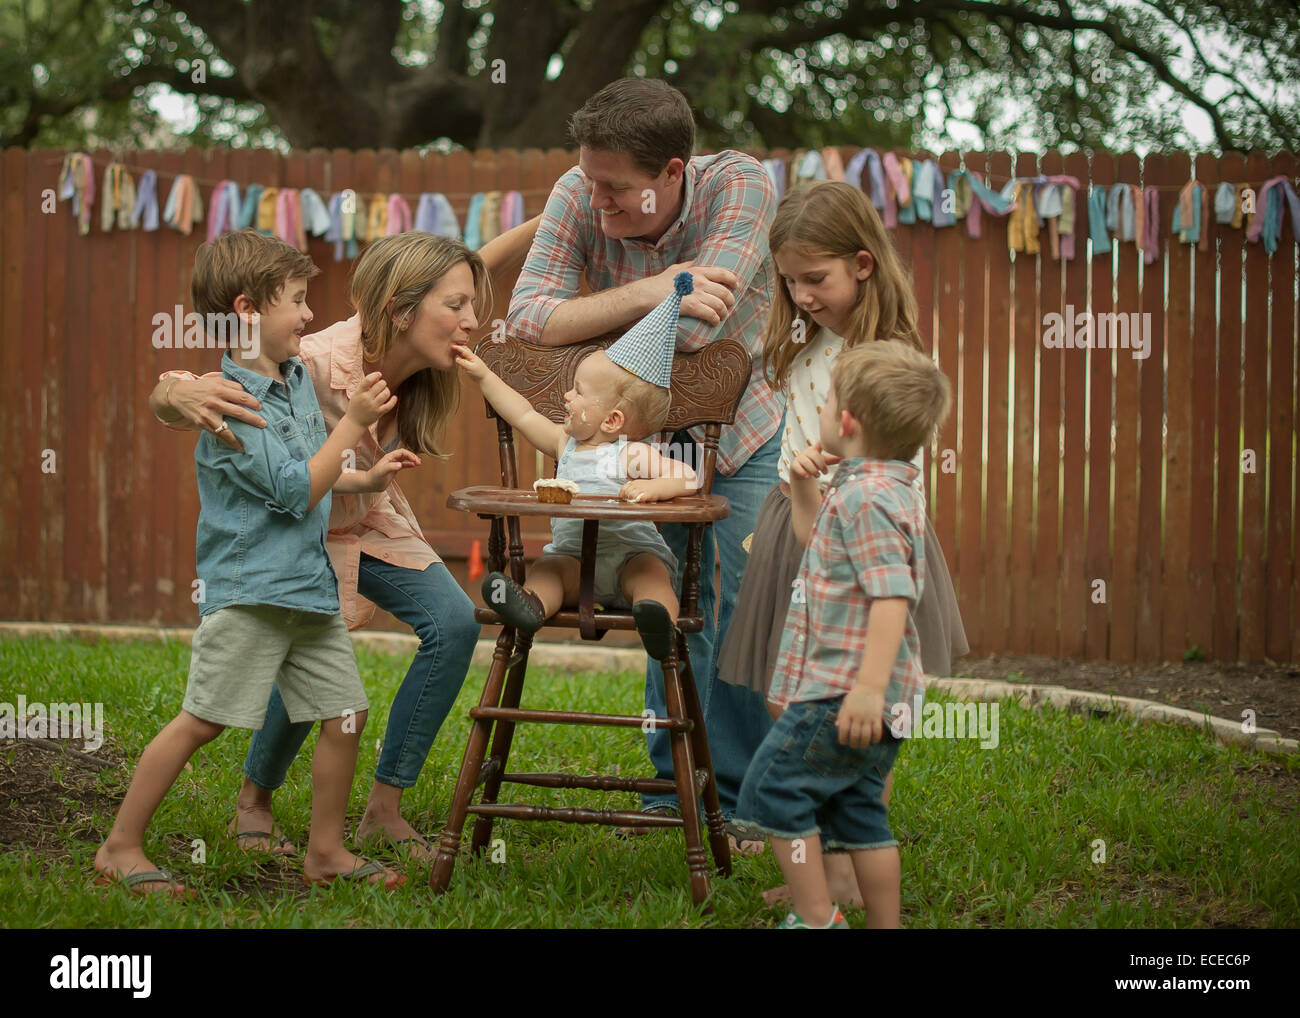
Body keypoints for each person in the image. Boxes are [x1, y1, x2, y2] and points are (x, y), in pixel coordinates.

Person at [147, 221, 539, 859]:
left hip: (369, 511)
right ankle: (255, 797)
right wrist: (173, 388)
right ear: (400, 308)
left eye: (471, 305)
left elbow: (453, 270)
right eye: (457, 307)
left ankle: (383, 809)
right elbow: (212, 384)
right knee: (299, 645)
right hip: (299, 527)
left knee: (454, 621)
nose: (472, 321)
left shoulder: (423, 335)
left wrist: (552, 209)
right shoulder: (317, 358)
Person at [507, 78, 781, 847]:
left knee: (736, 608)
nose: (595, 203)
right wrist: (661, 288)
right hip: (636, 450)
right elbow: (528, 318)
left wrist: (603, 315)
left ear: (673, 173)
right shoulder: (579, 186)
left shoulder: (740, 184)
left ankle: (752, 800)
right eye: (589, 182)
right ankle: (674, 789)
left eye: (617, 190)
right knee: (676, 612)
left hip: (741, 437)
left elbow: (698, 338)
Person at [95, 230, 404, 893]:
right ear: (246, 309)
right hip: (252, 590)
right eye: (296, 299)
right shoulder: (227, 403)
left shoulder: (295, 380)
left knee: (346, 714)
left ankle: (325, 851)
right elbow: (293, 492)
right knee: (203, 720)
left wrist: (366, 478)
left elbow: (311, 474)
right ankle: (120, 847)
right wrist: (352, 424)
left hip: (308, 593)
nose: (307, 314)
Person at [717, 180, 968, 902]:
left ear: (862, 264)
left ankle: (852, 858)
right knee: (788, 694)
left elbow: (899, 468)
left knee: (864, 695)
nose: (800, 296)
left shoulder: (885, 356)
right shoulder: (804, 340)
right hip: (795, 524)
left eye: (814, 279)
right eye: (789, 282)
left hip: (864, 532)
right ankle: (823, 861)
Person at [735, 340, 952, 928]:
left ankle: (816, 919)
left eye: (828, 400)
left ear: (848, 420)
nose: (822, 409)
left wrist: (866, 690)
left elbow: (891, 598)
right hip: (878, 698)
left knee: (772, 794)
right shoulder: (881, 487)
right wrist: (804, 488)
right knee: (858, 815)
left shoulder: (865, 499)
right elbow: (817, 549)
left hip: (844, 694)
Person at [462, 274, 698, 659]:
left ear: (612, 421)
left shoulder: (630, 455)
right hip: (572, 557)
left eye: (579, 391)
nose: (567, 396)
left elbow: (687, 476)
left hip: (629, 554)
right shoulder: (563, 443)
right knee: (549, 572)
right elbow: (521, 414)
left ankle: (660, 621)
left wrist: (654, 489)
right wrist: (484, 376)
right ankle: (529, 606)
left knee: (650, 576)